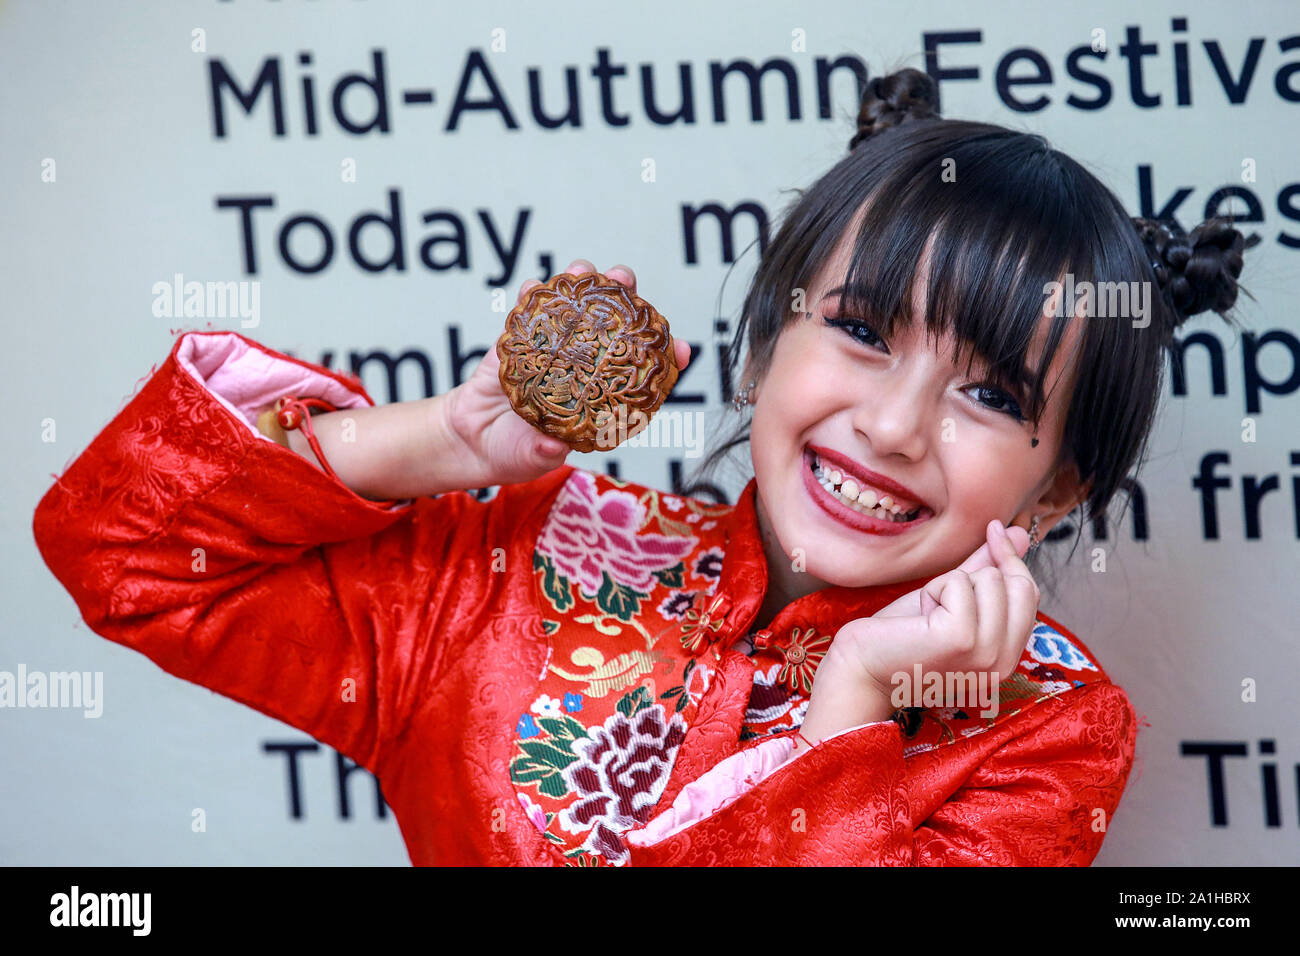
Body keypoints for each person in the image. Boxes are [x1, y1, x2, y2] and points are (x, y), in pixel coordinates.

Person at [33, 68, 1249, 866]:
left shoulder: (1042, 728)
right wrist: (434, 445)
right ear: (765, 345)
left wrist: (850, 708)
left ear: (1055, 492)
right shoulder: (530, 556)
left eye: (989, 395)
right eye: (864, 332)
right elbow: (127, 554)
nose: (890, 426)